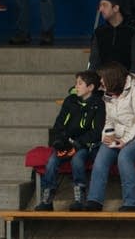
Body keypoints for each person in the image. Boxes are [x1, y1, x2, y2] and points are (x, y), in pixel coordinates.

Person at [86, 63, 135, 212]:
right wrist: (108, 136)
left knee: (125, 156)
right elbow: (109, 120)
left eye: (102, 78)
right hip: (118, 137)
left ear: (112, 78)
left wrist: (125, 141)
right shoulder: (108, 95)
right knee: (102, 155)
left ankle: (131, 203)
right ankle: (94, 200)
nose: (100, 82)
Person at [40, 69, 104, 211]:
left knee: (77, 160)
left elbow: (97, 132)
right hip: (66, 142)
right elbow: (59, 124)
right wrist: (61, 142)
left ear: (90, 87)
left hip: (84, 144)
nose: (76, 87)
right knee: (52, 162)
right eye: (76, 83)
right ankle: (47, 198)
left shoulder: (98, 104)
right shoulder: (70, 101)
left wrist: (77, 144)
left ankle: (79, 198)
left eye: (80, 84)